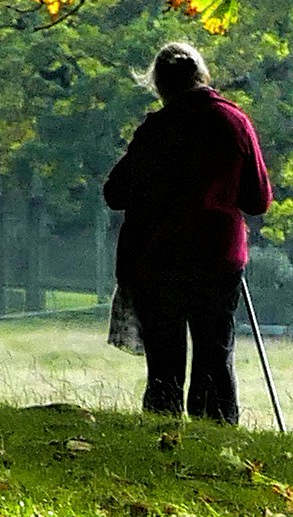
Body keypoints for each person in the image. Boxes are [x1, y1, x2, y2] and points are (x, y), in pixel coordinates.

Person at [102, 40, 273, 423]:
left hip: (158, 258)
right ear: (201, 75)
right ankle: (216, 434)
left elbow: (115, 193)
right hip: (217, 256)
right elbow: (258, 200)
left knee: (164, 361)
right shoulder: (235, 123)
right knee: (215, 355)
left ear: (160, 85)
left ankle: (163, 434)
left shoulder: (156, 130)